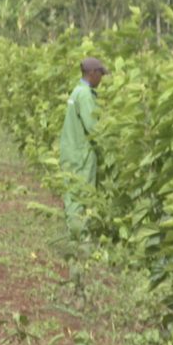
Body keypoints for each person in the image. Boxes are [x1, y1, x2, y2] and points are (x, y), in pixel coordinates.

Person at [59, 57, 107, 237]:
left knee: (72, 193)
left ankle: (74, 233)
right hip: (81, 154)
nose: (101, 78)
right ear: (92, 73)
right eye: (100, 74)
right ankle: (80, 237)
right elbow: (93, 127)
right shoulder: (86, 94)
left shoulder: (76, 91)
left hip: (70, 150)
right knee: (81, 195)